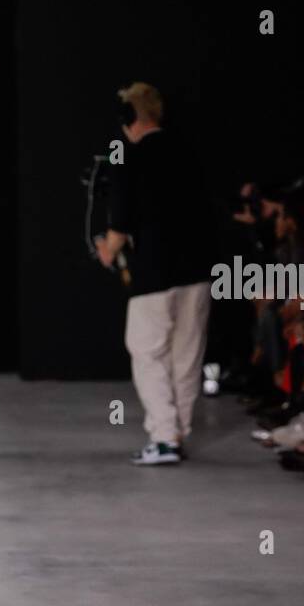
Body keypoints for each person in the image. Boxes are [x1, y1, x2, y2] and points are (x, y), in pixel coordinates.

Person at [96, 82, 216, 464]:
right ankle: (177, 432)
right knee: (187, 355)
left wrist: (108, 251)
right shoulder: (192, 152)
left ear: (129, 117)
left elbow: (121, 217)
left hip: (154, 273)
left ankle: (165, 438)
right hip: (197, 270)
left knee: (149, 353)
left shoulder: (131, 158)